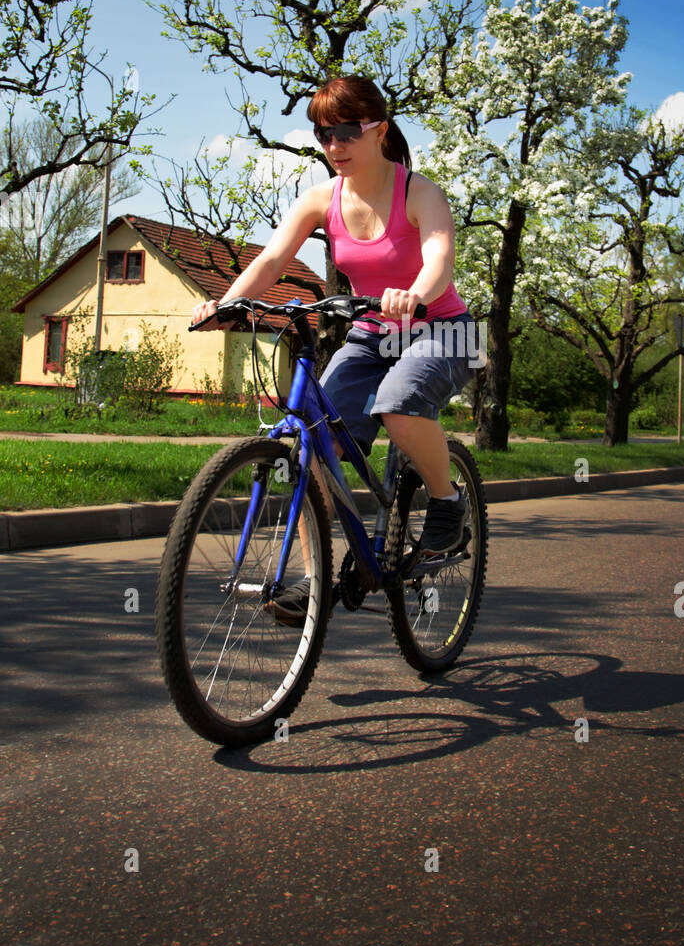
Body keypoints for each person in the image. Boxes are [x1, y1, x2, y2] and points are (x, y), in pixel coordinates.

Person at [190, 73, 478, 620]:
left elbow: (440, 258)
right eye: (323, 134)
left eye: (346, 132)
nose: (334, 146)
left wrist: (415, 294)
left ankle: (447, 502)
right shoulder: (322, 199)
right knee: (308, 445)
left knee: (399, 402)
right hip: (372, 333)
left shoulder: (420, 192)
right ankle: (314, 579)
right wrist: (226, 303)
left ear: (379, 130)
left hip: (442, 329)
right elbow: (272, 259)